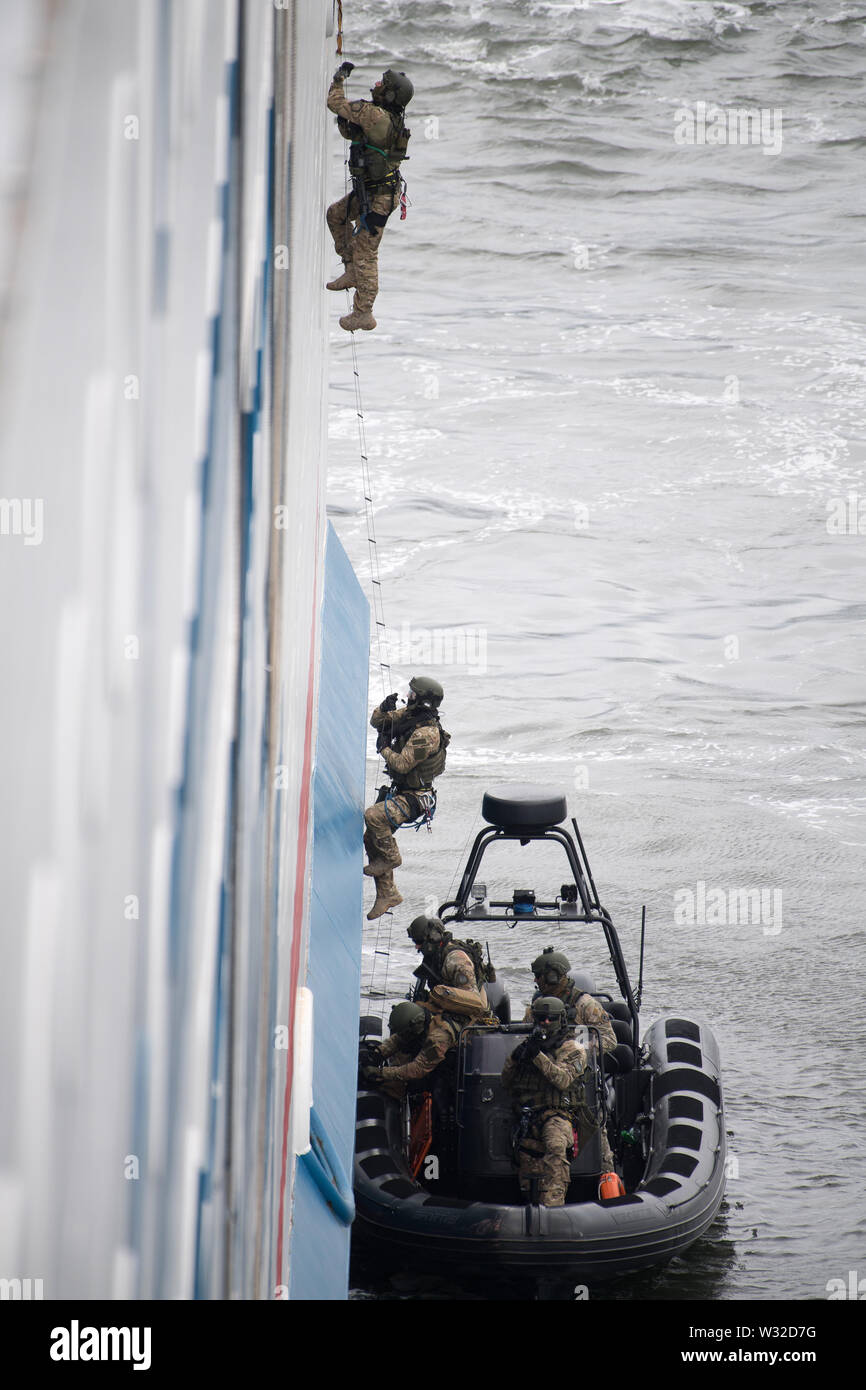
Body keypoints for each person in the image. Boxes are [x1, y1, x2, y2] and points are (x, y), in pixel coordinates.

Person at [326, 63, 413, 332]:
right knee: (336, 215)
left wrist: (339, 79)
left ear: (388, 95)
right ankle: (351, 269)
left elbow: (334, 102)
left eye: (381, 84)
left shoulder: (375, 115)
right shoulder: (387, 117)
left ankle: (364, 313)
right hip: (373, 190)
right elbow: (351, 132)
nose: (376, 85)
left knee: (367, 252)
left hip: (381, 197)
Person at [525, 948, 619, 1175]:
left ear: (553, 976)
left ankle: (607, 1180)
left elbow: (609, 1040)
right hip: (546, 1079)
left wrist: (578, 1048)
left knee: (598, 1139)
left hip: (581, 1078)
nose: (536, 981)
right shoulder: (537, 1007)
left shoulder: (585, 1005)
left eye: (539, 975)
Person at [364, 676, 449, 920]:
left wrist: (383, 749)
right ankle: (387, 893)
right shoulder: (410, 716)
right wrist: (384, 708)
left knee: (373, 816)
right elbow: (377, 722)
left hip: (417, 797)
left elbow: (401, 764)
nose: (408, 696)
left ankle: (392, 858)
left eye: (412, 694)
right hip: (402, 791)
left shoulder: (427, 734)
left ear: (422, 700)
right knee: (372, 837)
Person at [501, 997, 587, 1207]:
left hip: (558, 1114)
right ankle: (530, 1208)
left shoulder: (573, 1047)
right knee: (528, 1162)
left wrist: (537, 1056)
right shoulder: (529, 1045)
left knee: (556, 1147)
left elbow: (562, 1079)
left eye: (551, 1019)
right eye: (541, 1018)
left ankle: (554, 1207)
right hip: (529, 1114)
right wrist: (515, 1058)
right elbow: (506, 1081)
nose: (546, 1023)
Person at [361, 1001, 459, 1101]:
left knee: (417, 1088)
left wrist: (381, 1073)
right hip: (428, 1061)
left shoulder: (437, 1039)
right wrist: (377, 1054)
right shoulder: (421, 1018)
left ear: (414, 1029)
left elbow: (417, 1069)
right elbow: (398, 1039)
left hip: (444, 1070)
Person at [407, 914, 491, 1006]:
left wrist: (437, 1000)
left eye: (418, 942)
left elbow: (473, 1001)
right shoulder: (436, 955)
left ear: (433, 938)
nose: (417, 947)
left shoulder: (456, 960)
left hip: (471, 1011)